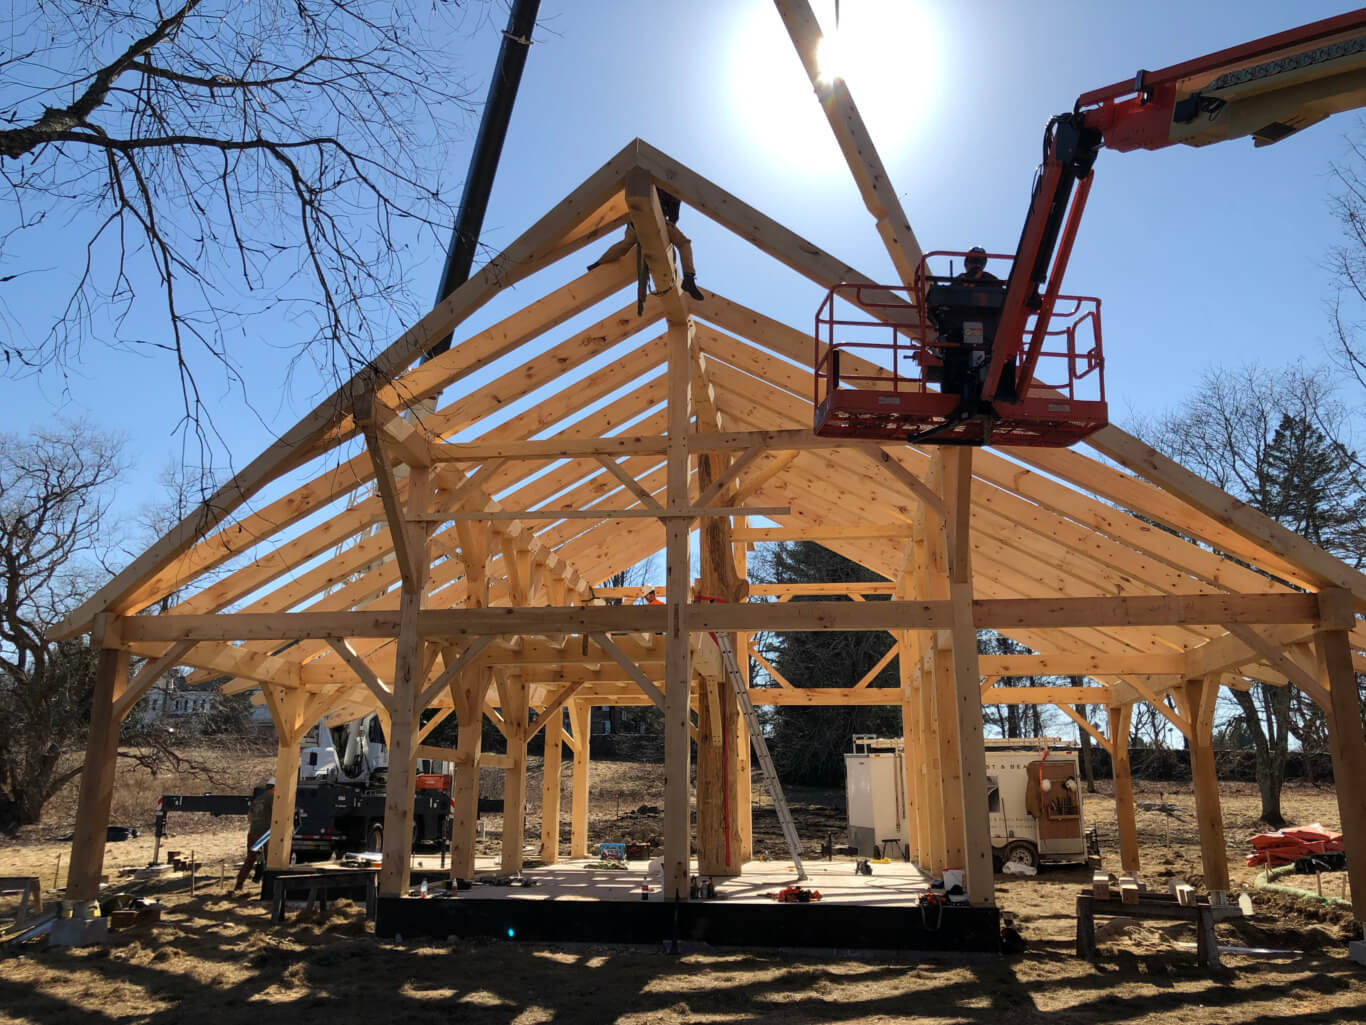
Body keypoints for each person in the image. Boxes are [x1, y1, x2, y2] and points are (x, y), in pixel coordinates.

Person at [588, 188, 706, 301]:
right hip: (657, 219)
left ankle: (599, 263)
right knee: (684, 243)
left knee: (624, 245)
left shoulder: (651, 181)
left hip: (635, 223)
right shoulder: (673, 190)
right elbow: (674, 217)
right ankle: (689, 278)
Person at [234, 779, 275, 890]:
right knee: (271, 860)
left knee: (250, 859)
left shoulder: (258, 799)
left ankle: (239, 883)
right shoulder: (273, 799)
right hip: (265, 834)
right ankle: (269, 887)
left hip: (252, 832)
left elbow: (250, 817)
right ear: (274, 787)